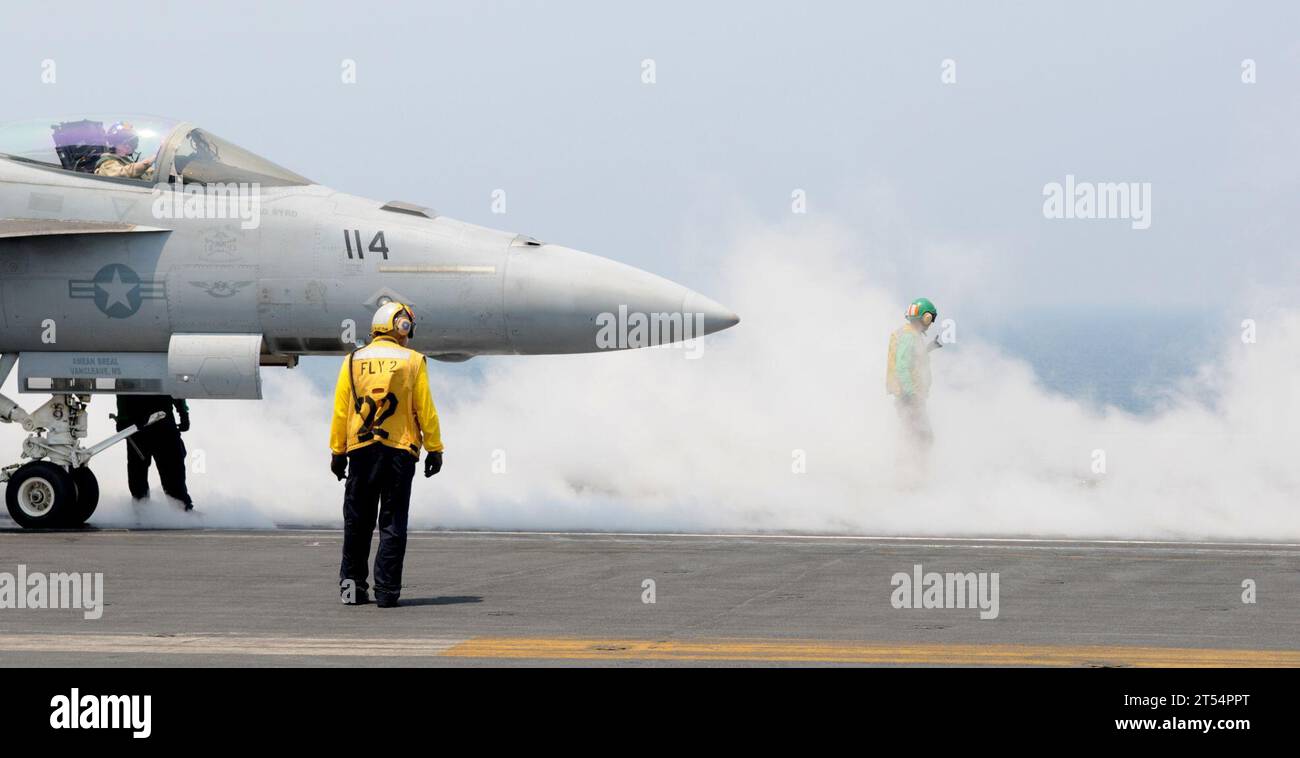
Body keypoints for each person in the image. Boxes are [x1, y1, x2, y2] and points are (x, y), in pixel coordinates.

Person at [330, 301, 444, 608]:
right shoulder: (413, 361)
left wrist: (337, 452)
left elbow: (341, 410)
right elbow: (425, 409)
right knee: (392, 523)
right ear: (402, 327)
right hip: (399, 452)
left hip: (361, 452)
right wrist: (434, 448)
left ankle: (353, 591)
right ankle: (387, 593)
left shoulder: (353, 360)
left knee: (357, 521)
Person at [115, 394, 193, 510]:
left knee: (172, 468)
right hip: (139, 425)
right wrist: (122, 418)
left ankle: (182, 509)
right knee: (138, 472)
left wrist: (183, 413)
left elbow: (175, 388)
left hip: (159, 423)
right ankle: (142, 510)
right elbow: (122, 391)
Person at [886, 297, 941, 448]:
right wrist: (912, 395)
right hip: (909, 398)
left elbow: (913, 358)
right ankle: (913, 470)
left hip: (910, 397)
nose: (930, 324)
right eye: (931, 319)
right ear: (926, 317)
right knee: (922, 439)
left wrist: (930, 347)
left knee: (915, 437)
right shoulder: (909, 336)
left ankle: (912, 468)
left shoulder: (909, 334)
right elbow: (902, 367)